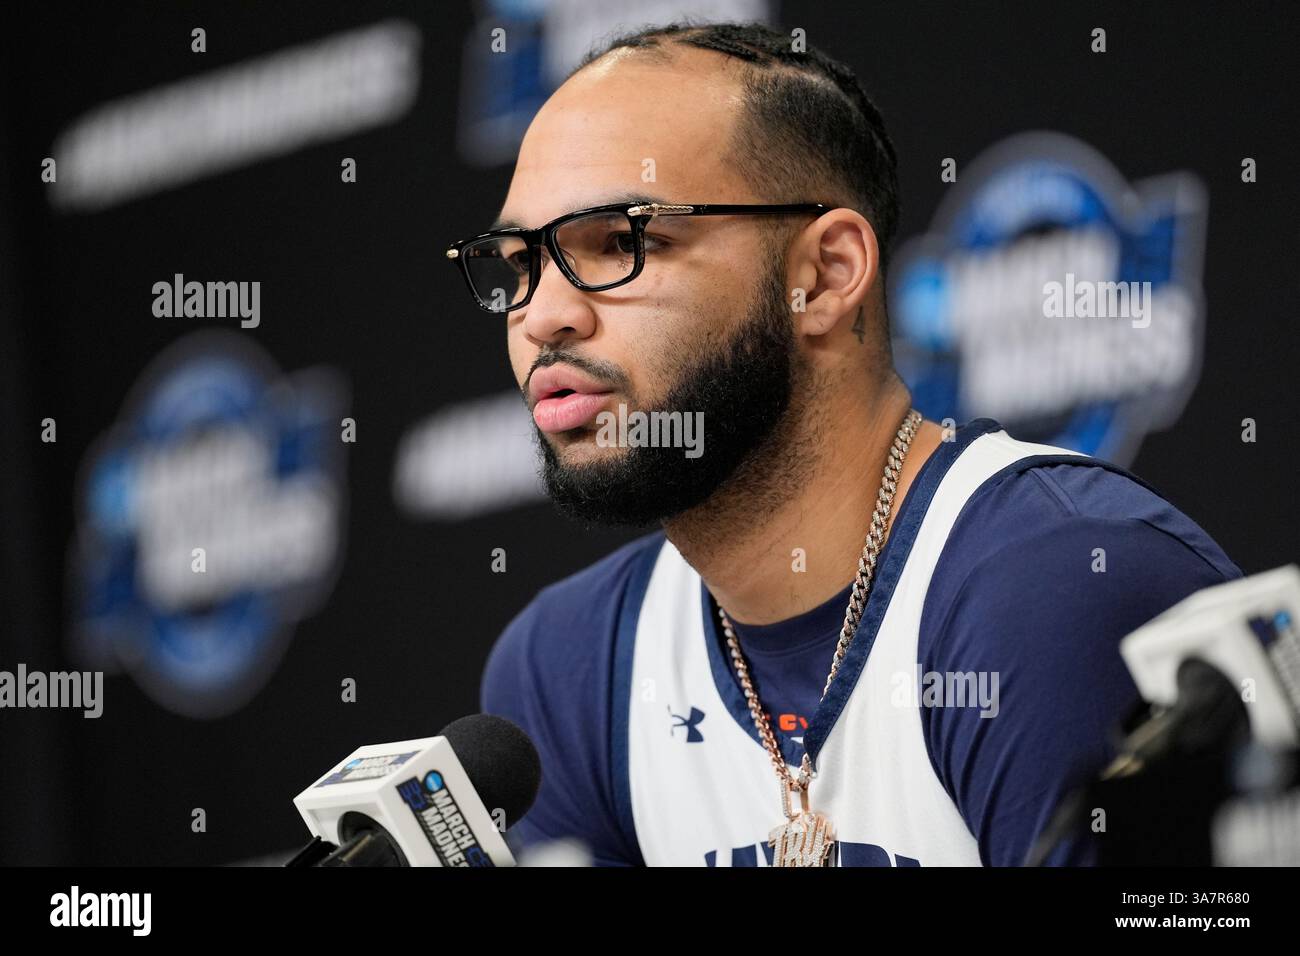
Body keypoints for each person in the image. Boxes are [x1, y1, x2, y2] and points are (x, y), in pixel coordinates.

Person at [457, 22, 1239, 866]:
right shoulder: (568, 667)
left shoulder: (1054, 588)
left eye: (618, 241)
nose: (541, 316)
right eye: (519, 264)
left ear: (826, 275)